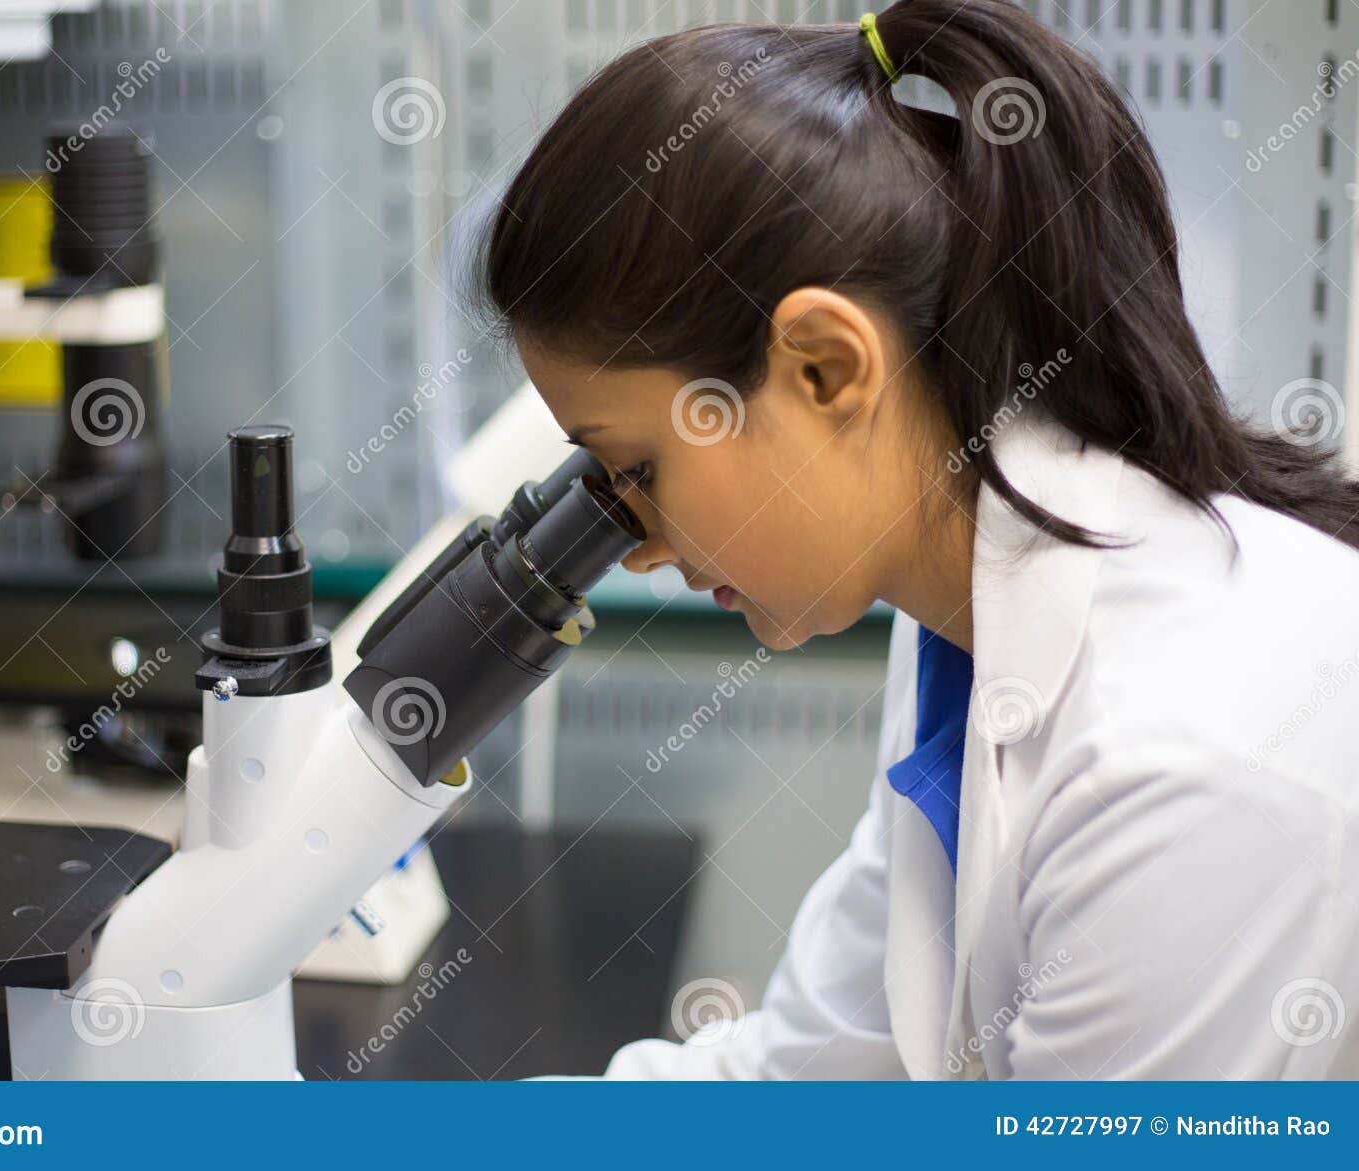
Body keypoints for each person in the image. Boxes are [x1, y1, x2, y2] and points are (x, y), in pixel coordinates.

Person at [475, 0, 1359, 1078]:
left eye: (635, 470)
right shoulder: (963, 629)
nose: (639, 547)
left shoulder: (1178, 768)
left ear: (824, 367)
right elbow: (805, 1078)